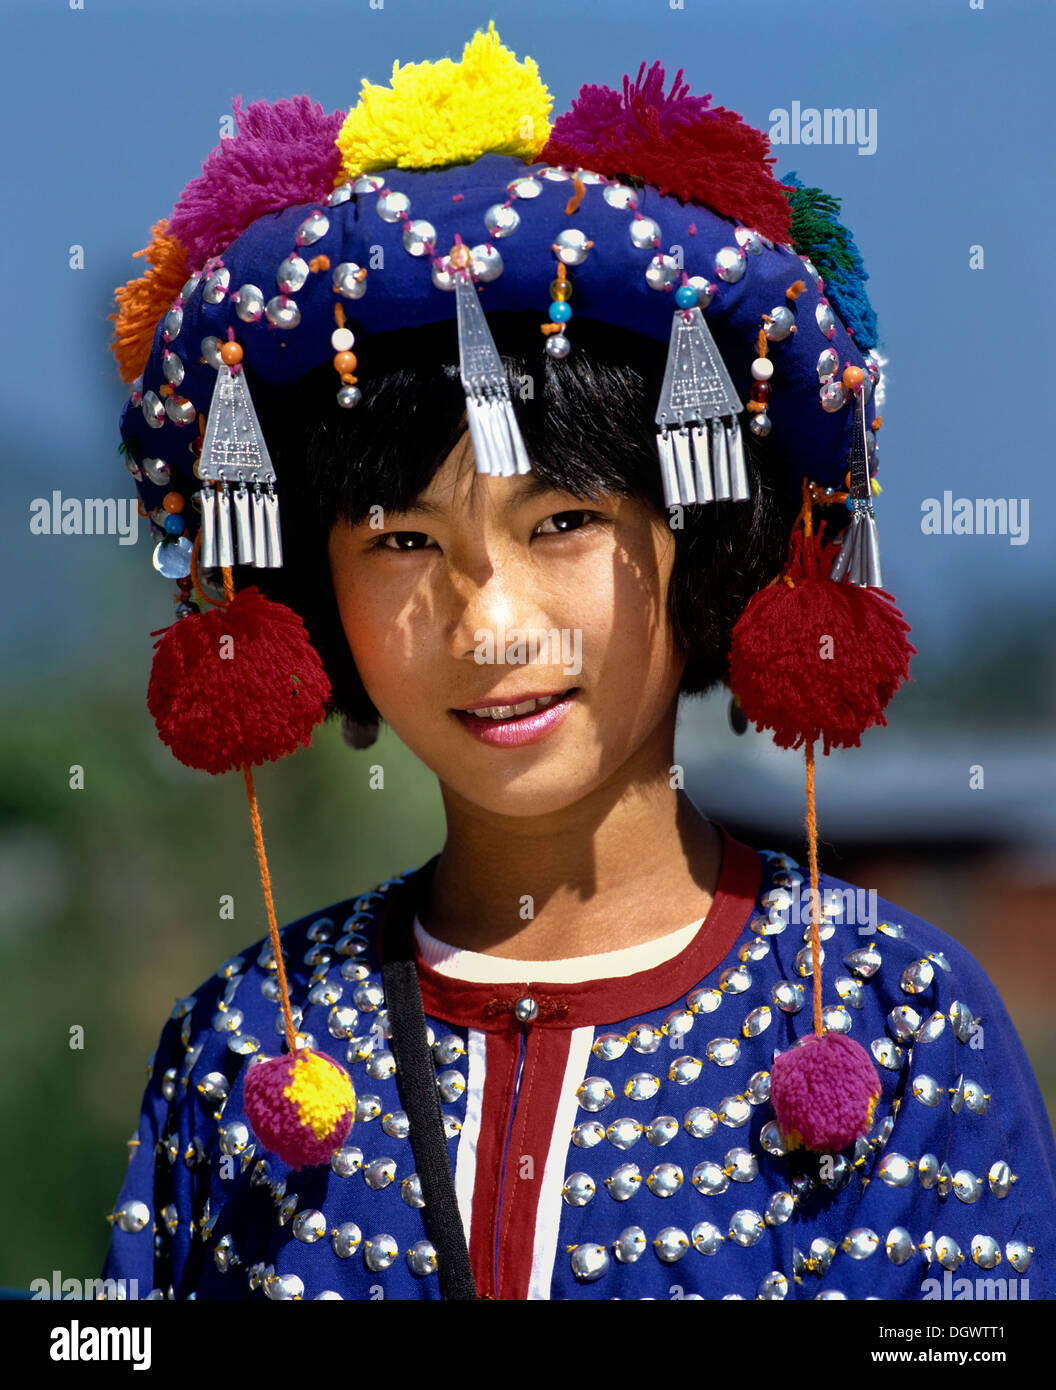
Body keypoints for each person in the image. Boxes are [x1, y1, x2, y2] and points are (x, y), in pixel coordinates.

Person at [101, 25, 1056, 1300]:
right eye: (401, 540)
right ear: (313, 589)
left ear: (704, 538)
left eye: (563, 523)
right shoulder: (242, 1045)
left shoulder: (902, 1022)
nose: (489, 625)